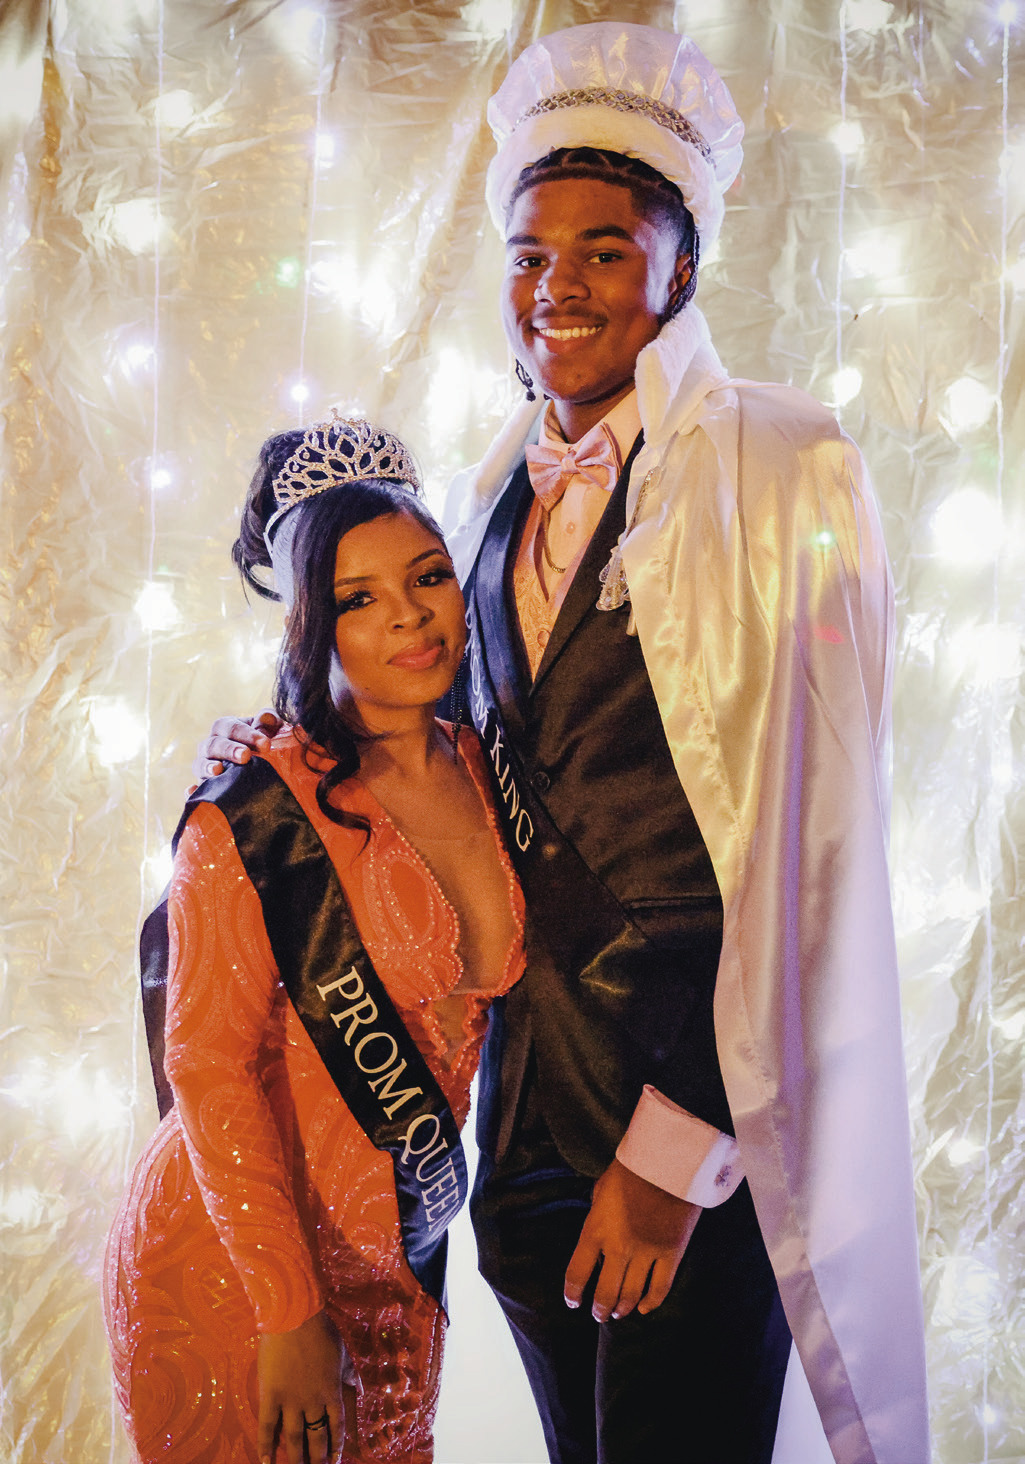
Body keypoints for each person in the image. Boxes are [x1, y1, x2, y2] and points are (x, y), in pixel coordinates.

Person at [198, 23, 930, 1464]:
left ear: (681, 267)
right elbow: (428, 741)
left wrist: (675, 1151)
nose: (558, 285)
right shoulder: (481, 497)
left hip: (688, 1125)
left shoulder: (786, 468)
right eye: (532, 252)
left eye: (607, 247)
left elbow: (811, 838)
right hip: (517, 1129)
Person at [105, 416, 524, 1464]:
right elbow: (206, 1067)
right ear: (306, 624)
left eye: (425, 578)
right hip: (237, 1265)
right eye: (357, 599)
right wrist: (288, 1315)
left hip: (396, 1259)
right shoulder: (251, 809)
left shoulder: (490, 764)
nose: (409, 620)